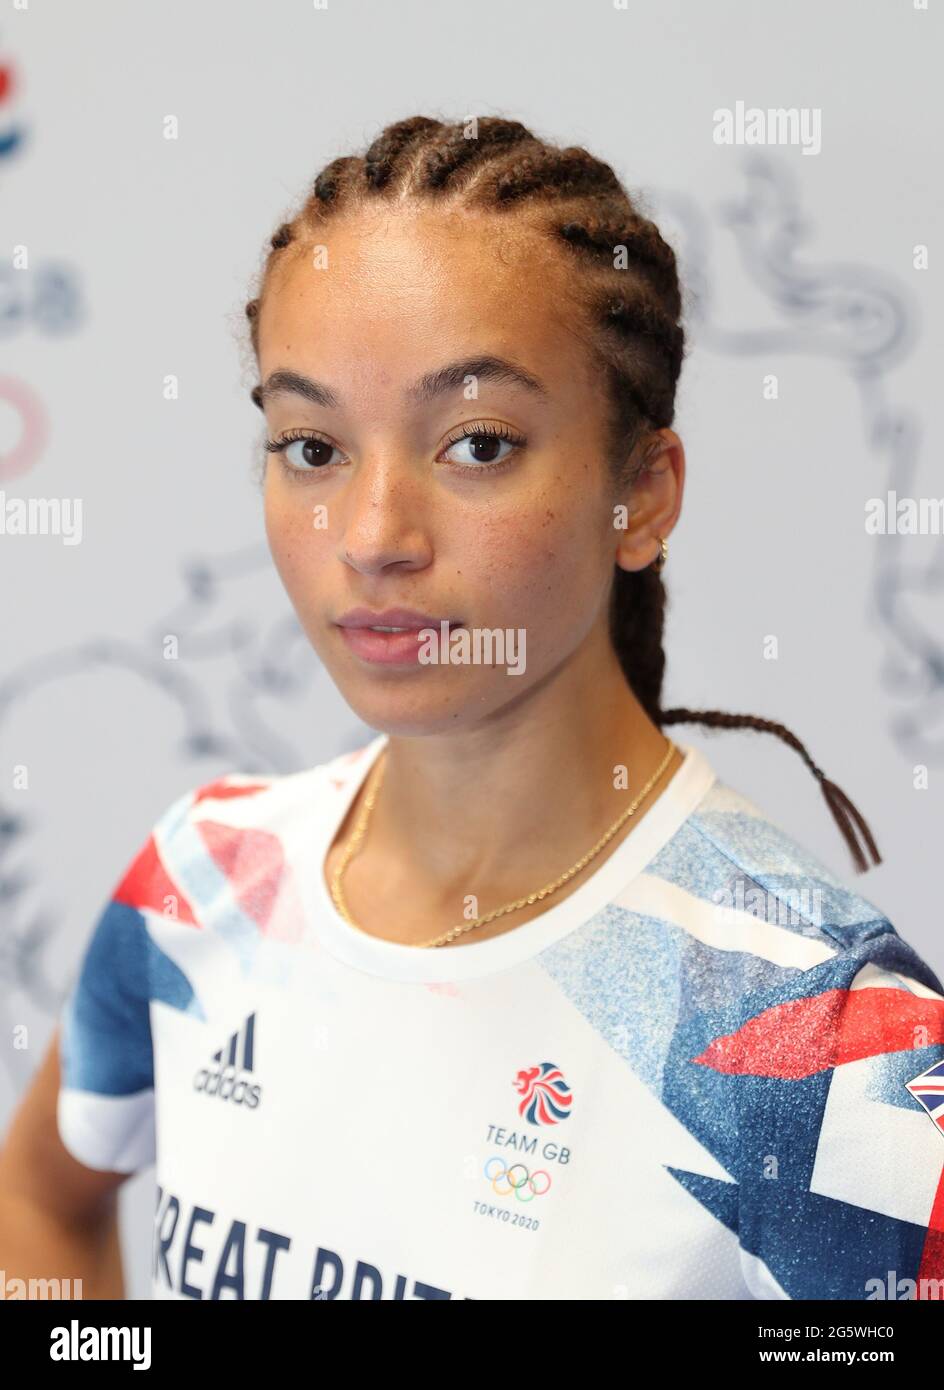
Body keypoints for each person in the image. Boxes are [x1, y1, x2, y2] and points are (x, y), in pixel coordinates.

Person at [2, 114, 942, 1302]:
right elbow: (38, 1198)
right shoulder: (203, 880)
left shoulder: (825, 1040)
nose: (373, 538)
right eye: (310, 445)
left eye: (478, 443)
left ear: (641, 495)